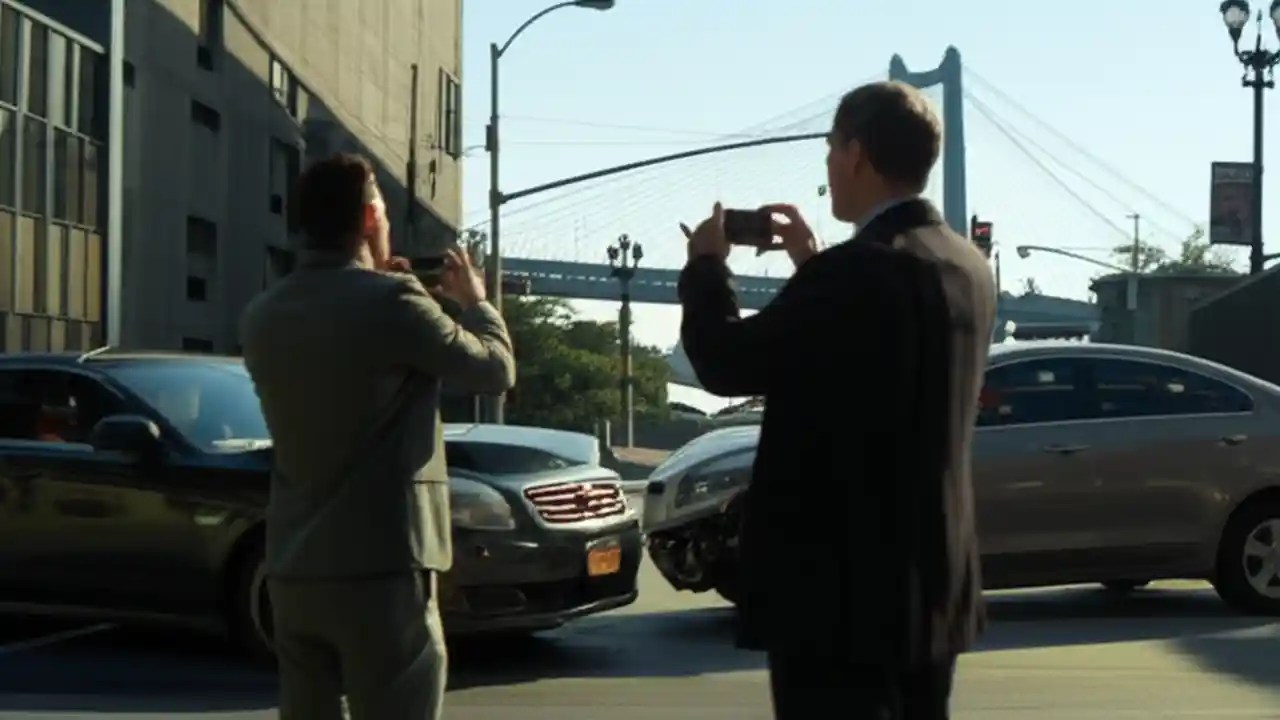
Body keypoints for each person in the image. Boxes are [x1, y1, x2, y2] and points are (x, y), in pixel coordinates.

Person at [677, 81, 996, 719]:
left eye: (830, 148)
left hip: (839, 600)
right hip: (933, 583)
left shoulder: (855, 273)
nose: (827, 164)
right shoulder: (966, 265)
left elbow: (724, 360)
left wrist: (707, 268)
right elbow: (872, 360)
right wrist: (811, 265)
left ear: (856, 154)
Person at [240, 153, 515, 720]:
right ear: (368, 218)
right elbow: (493, 369)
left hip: (293, 564)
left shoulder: (263, 314)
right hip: (382, 563)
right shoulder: (395, 302)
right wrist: (475, 301)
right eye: (384, 212)